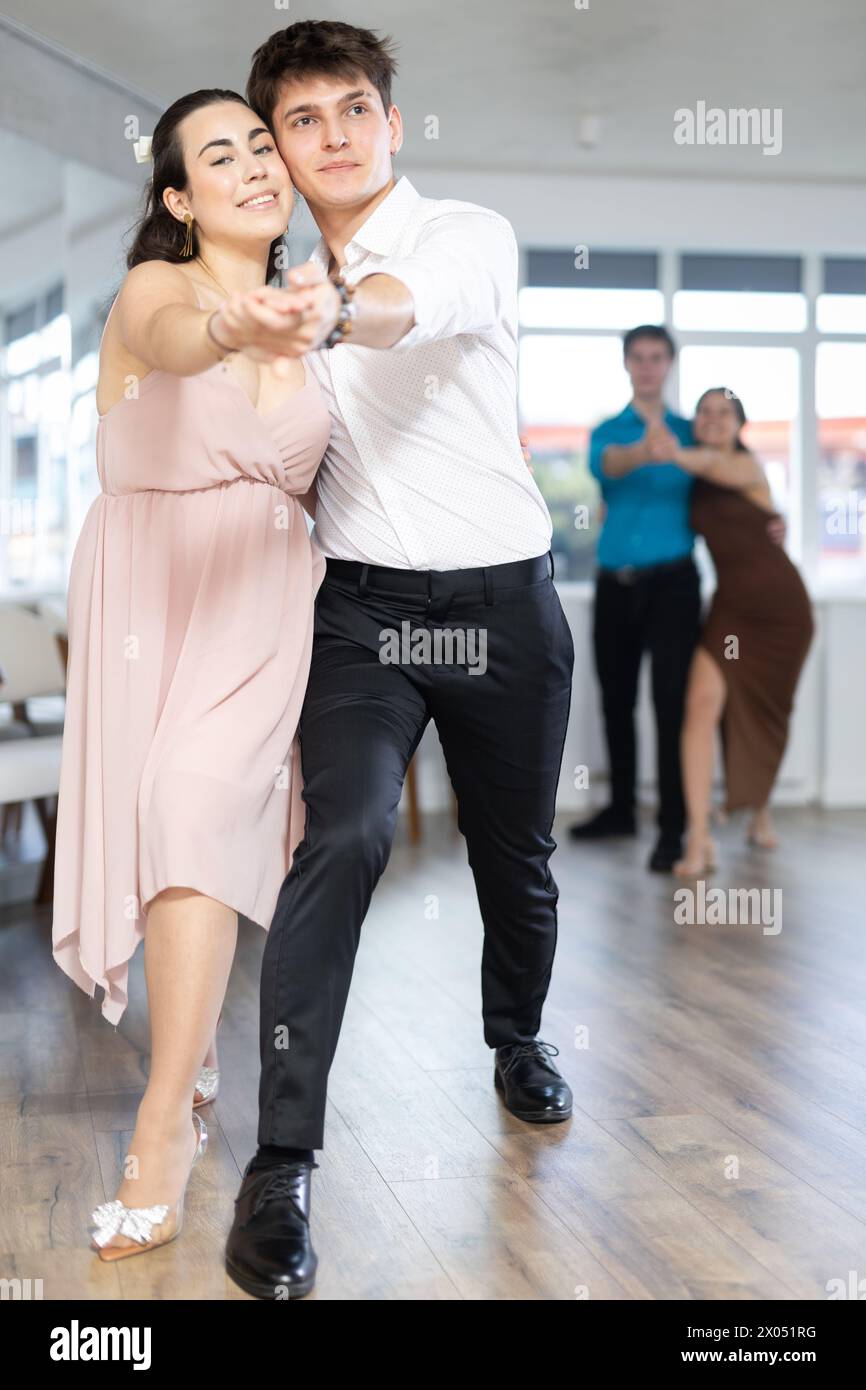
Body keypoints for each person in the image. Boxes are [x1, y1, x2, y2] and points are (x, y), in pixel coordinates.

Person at [223, 20, 576, 1300]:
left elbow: (399, 309)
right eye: (303, 119)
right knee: (346, 833)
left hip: (503, 608)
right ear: (279, 144)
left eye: (353, 109)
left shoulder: (462, 236)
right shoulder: (254, 277)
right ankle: (281, 1162)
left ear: (392, 124)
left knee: (513, 853)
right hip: (362, 613)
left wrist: (323, 311)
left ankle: (518, 1037)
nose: (334, 136)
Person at [51, 90, 332, 1260]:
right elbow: (176, 338)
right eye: (222, 154)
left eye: (262, 144)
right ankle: (197, 1052)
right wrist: (236, 332)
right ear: (178, 196)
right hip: (147, 590)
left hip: (259, 597)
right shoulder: (159, 290)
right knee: (166, 826)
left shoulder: (321, 305)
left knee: (187, 806)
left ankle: (159, 1125)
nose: (256, 164)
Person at [652, 388, 814, 876]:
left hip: (782, 611)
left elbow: (717, 470)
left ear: (740, 424)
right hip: (731, 610)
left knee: (764, 711)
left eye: (724, 412)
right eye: (705, 412)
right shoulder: (693, 478)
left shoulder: (746, 466)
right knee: (701, 707)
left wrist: (674, 452)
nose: (713, 418)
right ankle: (699, 840)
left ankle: (759, 810)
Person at [569, 325, 701, 871]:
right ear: (627, 365)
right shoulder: (608, 432)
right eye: (638, 358)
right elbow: (608, 466)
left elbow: (724, 485)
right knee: (615, 701)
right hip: (615, 584)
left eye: (656, 358)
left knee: (671, 705)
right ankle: (621, 809)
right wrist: (646, 450)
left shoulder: (694, 433)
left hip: (674, 586)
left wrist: (769, 522)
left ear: (669, 364)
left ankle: (673, 827)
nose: (647, 367)